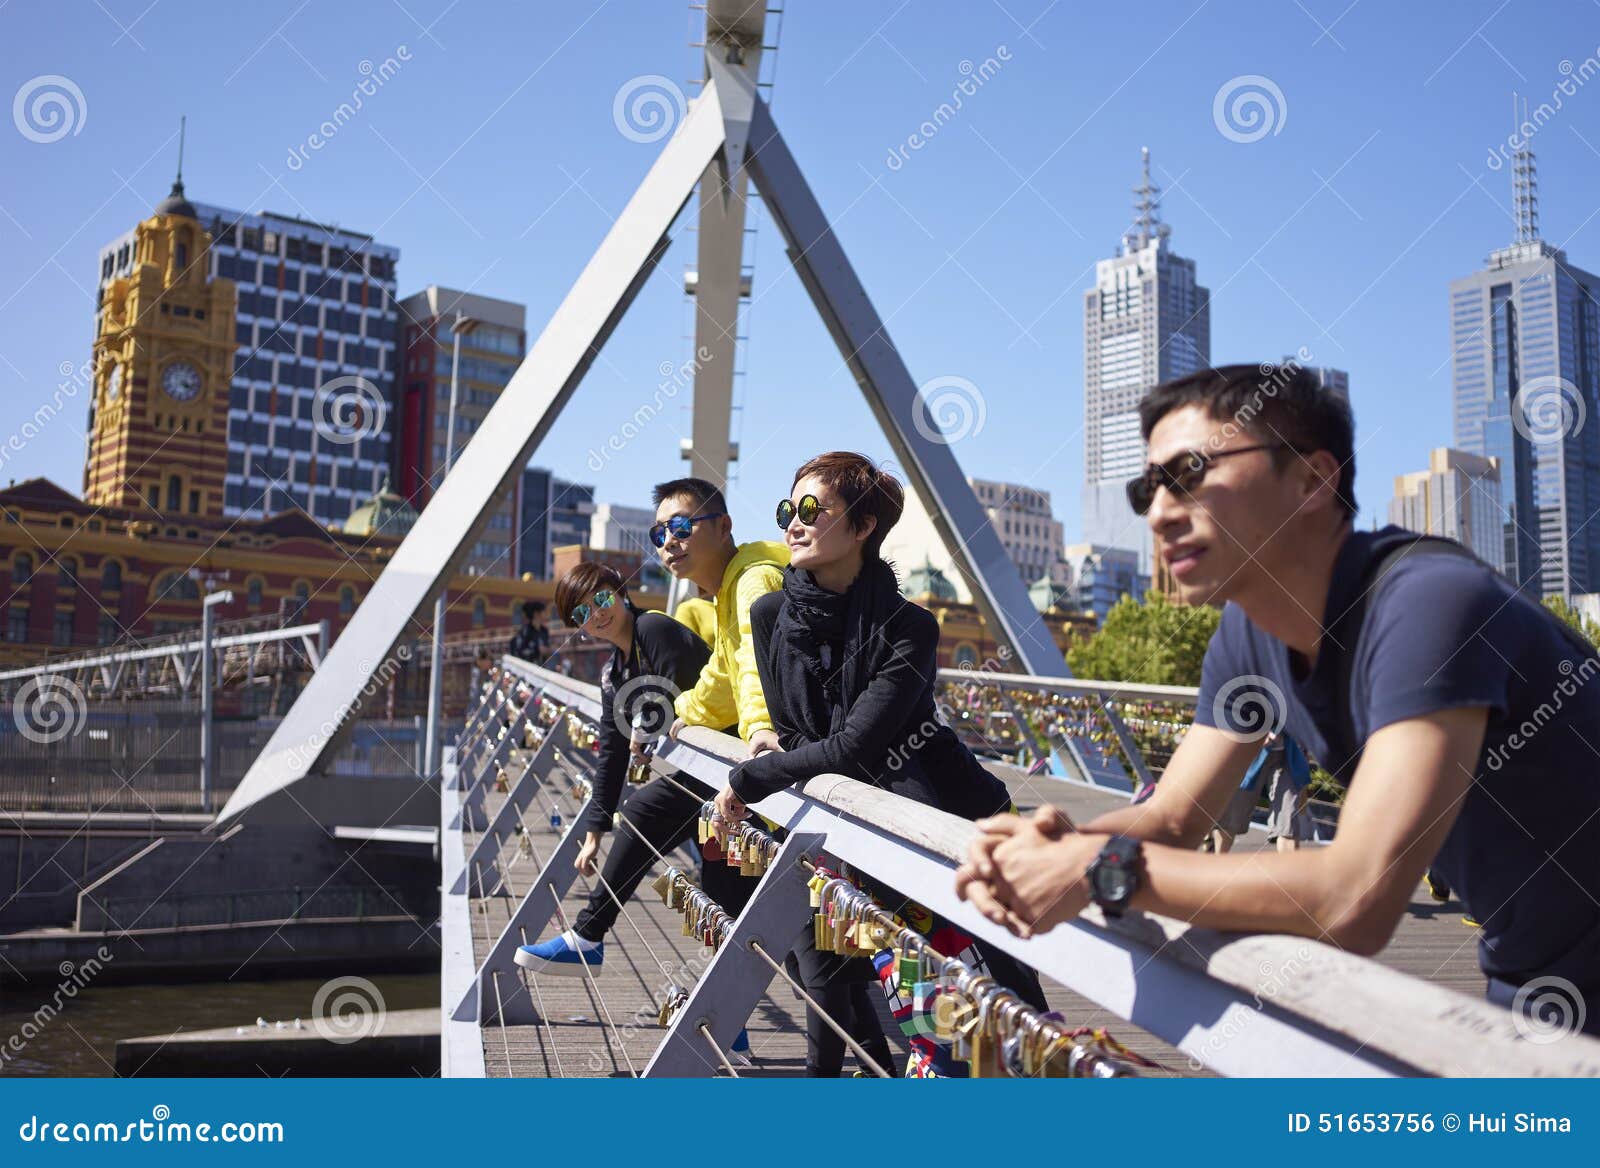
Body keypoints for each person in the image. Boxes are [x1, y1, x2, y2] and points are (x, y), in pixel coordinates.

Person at [957, 363, 1600, 1038]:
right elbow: (1177, 816)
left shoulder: (1429, 604)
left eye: (1191, 473)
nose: (1161, 511)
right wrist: (1037, 849)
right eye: (1148, 487)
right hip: (1536, 977)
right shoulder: (1246, 634)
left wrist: (1095, 869)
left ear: (1313, 479)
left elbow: (1356, 898)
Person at [718, 451, 1047, 1076]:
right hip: (841, 815)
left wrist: (750, 776)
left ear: (864, 526)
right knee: (846, 976)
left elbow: (851, 747)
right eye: (789, 508)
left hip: (940, 818)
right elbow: (798, 732)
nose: (794, 521)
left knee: (997, 997)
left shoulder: (910, 628)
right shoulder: (769, 616)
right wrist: (779, 755)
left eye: (812, 509)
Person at [515, 564, 758, 992]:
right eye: (582, 613)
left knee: (649, 813)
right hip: (705, 784)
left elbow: (678, 691)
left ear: (621, 593)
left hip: (734, 772)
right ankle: (727, 1007)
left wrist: (645, 727)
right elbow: (610, 757)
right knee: (722, 895)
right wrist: (594, 831)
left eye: (602, 599)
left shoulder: (653, 628)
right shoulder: (613, 674)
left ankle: (589, 936)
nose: (597, 614)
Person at [655, 476, 789, 751]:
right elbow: (725, 677)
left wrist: (761, 726)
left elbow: (757, 661)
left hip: (796, 752)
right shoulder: (727, 590)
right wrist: (689, 713)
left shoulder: (753, 580)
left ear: (724, 526)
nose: (668, 541)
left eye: (681, 526)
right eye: (659, 534)